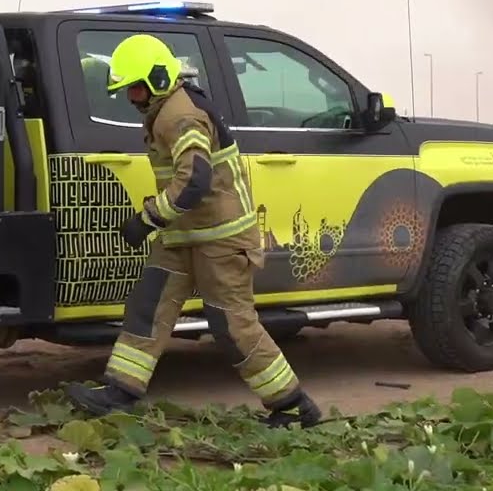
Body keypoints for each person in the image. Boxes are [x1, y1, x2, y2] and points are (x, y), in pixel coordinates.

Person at [65, 33, 322, 428]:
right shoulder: (165, 110)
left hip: (221, 239)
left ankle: (292, 405)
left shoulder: (181, 116)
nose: (132, 99)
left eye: (135, 88)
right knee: (148, 307)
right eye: (127, 90)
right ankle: (121, 391)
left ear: (158, 79)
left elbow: (194, 179)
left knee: (232, 325)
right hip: (184, 237)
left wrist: (147, 219)